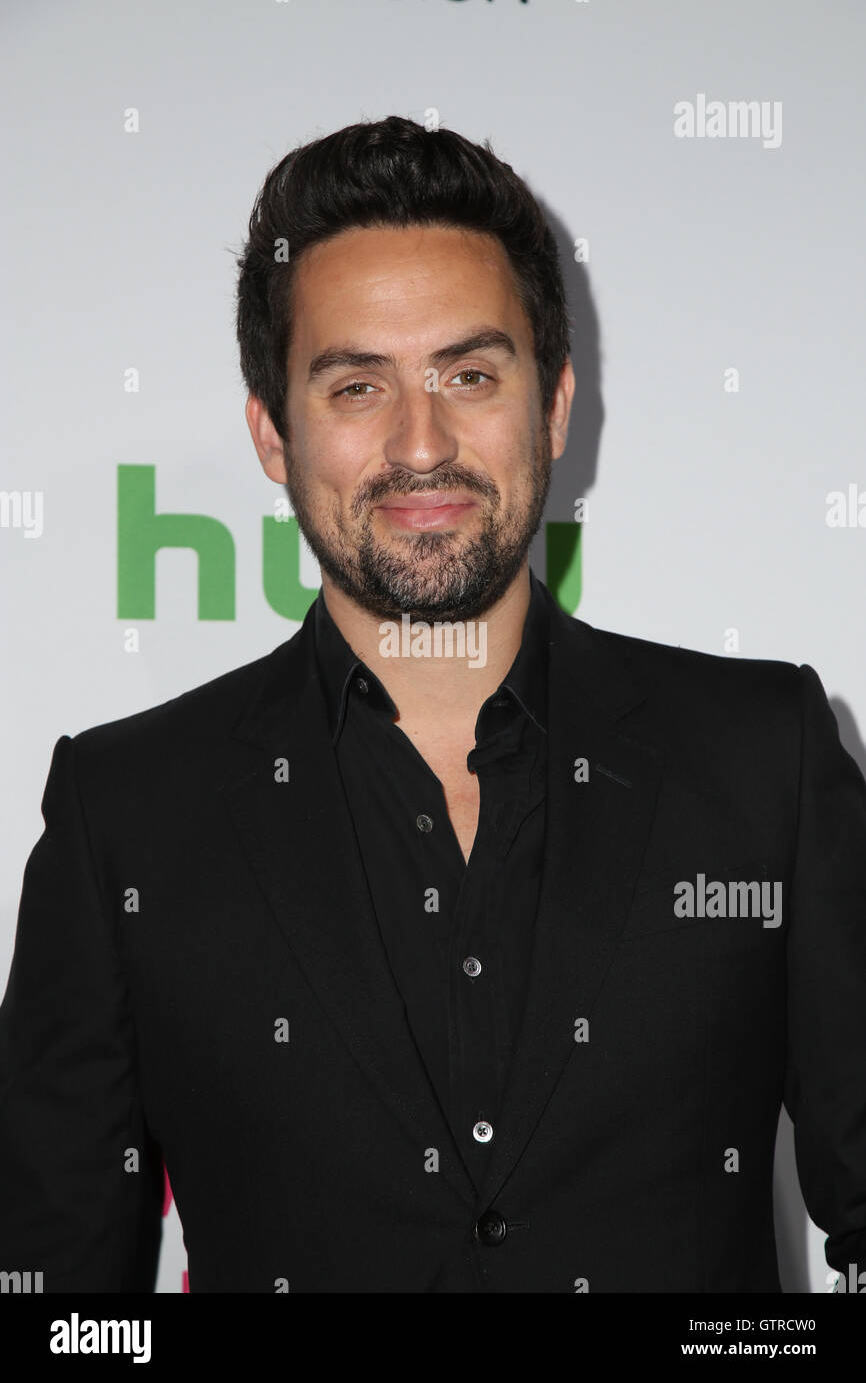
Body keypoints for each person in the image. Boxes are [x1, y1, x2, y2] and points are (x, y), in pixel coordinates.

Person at [1, 115, 864, 1293]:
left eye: (467, 374)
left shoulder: (763, 757)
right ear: (272, 432)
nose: (421, 443)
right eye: (357, 385)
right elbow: (59, 1299)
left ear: (553, 407)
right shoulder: (127, 814)